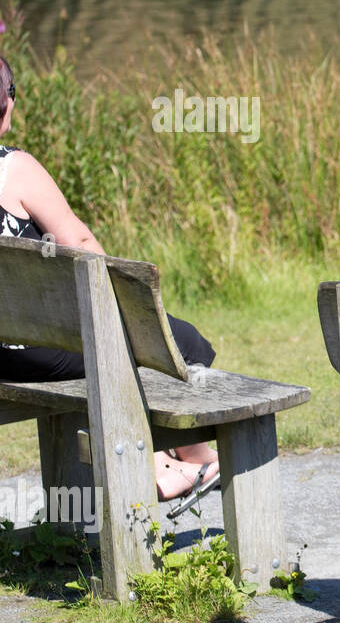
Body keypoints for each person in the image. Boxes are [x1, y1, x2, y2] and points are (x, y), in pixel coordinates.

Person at [0, 55, 220, 508]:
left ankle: (166, 462)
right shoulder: (13, 169)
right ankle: (190, 464)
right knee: (176, 341)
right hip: (31, 354)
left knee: (123, 348)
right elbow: (78, 240)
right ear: (6, 105)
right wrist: (121, 309)